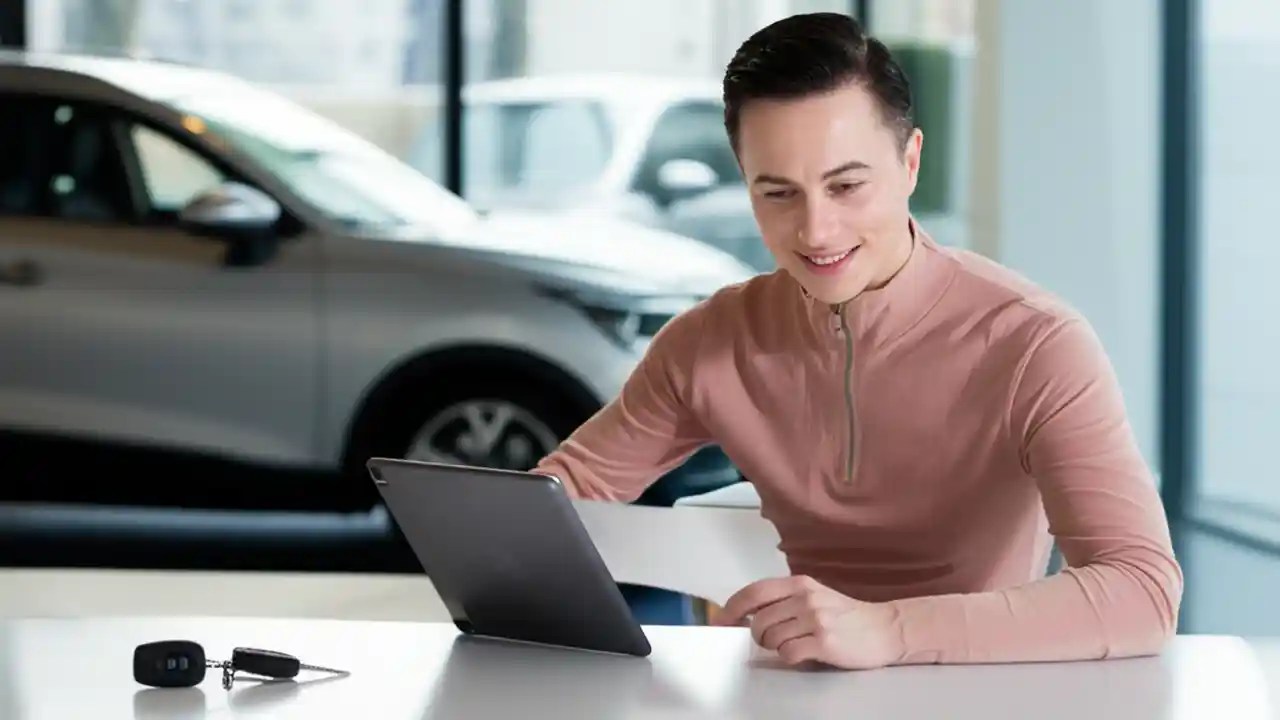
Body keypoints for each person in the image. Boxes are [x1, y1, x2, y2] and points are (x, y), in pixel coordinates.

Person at [532, 12, 1182, 670]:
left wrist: (889, 630)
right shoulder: (711, 339)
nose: (816, 230)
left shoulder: (1036, 344)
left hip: (979, 693)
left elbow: (1141, 589)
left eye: (846, 186)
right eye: (779, 192)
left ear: (910, 162)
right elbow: (559, 496)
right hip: (787, 691)